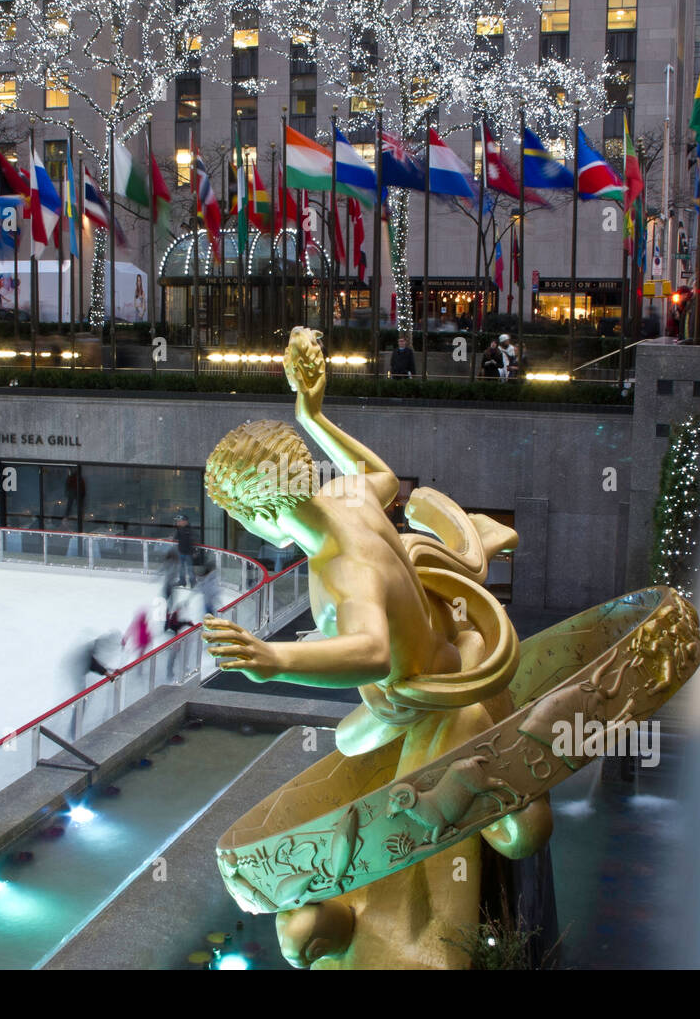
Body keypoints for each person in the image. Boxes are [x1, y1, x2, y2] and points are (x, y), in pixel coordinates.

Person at [201, 326, 544, 968]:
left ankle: (434, 858)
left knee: (358, 741)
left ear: (257, 513)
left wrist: (276, 662)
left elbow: (369, 651)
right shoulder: (347, 496)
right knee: (346, 741)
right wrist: (314, 415)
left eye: (241, 521)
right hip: (448, 657)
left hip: (422, 702)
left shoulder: (338, 570)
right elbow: (384, 476)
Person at [173, 513, 196, 588]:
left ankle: (193, 583)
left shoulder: (189, 530)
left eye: (179, 521)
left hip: (188, 553)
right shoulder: (179, 529)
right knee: (181, 568)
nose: (177, 523)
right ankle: (182, 581)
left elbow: (192, 541)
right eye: (177, 521)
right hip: (181, 552)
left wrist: (194, 551)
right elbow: (175, 538)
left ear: (185, 521)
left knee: (190, 569)